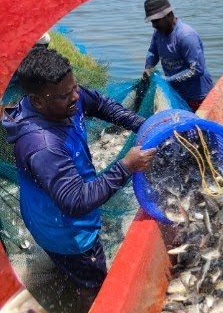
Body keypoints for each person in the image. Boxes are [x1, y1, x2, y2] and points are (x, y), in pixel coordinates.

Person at [2, 48, 155, 298]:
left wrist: (143, 125)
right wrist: (126, 166)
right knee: (94, 284)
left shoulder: (63, 97)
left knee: (72, 270)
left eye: (75, 87)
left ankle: (71, 276)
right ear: (37, 101)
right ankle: (87, 304)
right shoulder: (42, 146)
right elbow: (75, 201)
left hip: (51, 209)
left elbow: (101, 105)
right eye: (66, 95)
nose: (75, 96)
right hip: (64, 231)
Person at [142, 0, 214, 110]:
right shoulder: (158, 32)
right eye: (152, 21)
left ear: (168, 15)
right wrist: (148, 67)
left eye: (156, 21)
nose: (153, 25)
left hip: (197, 96)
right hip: (176, 93)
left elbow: (196, 69)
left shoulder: (186, 36)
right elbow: (153, 51)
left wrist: (167, 80)